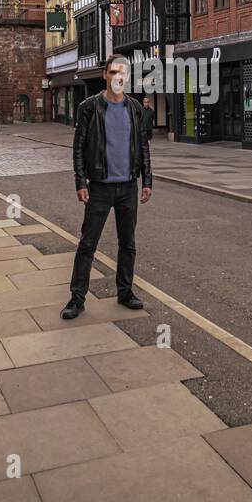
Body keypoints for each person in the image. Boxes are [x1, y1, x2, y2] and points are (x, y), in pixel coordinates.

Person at [63, 54, 152, 320]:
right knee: (87, 244)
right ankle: (77, 299)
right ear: (105, 74)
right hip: (99, 187)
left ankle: (125, 292)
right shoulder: (89, 107)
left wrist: (147, 180)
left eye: (122, 73)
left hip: (128, 186)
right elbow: (78, 147)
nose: (117, 78)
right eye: (113, 72)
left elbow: (143, 146)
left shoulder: (135, 107)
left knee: (128, 243)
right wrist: (81, 181)